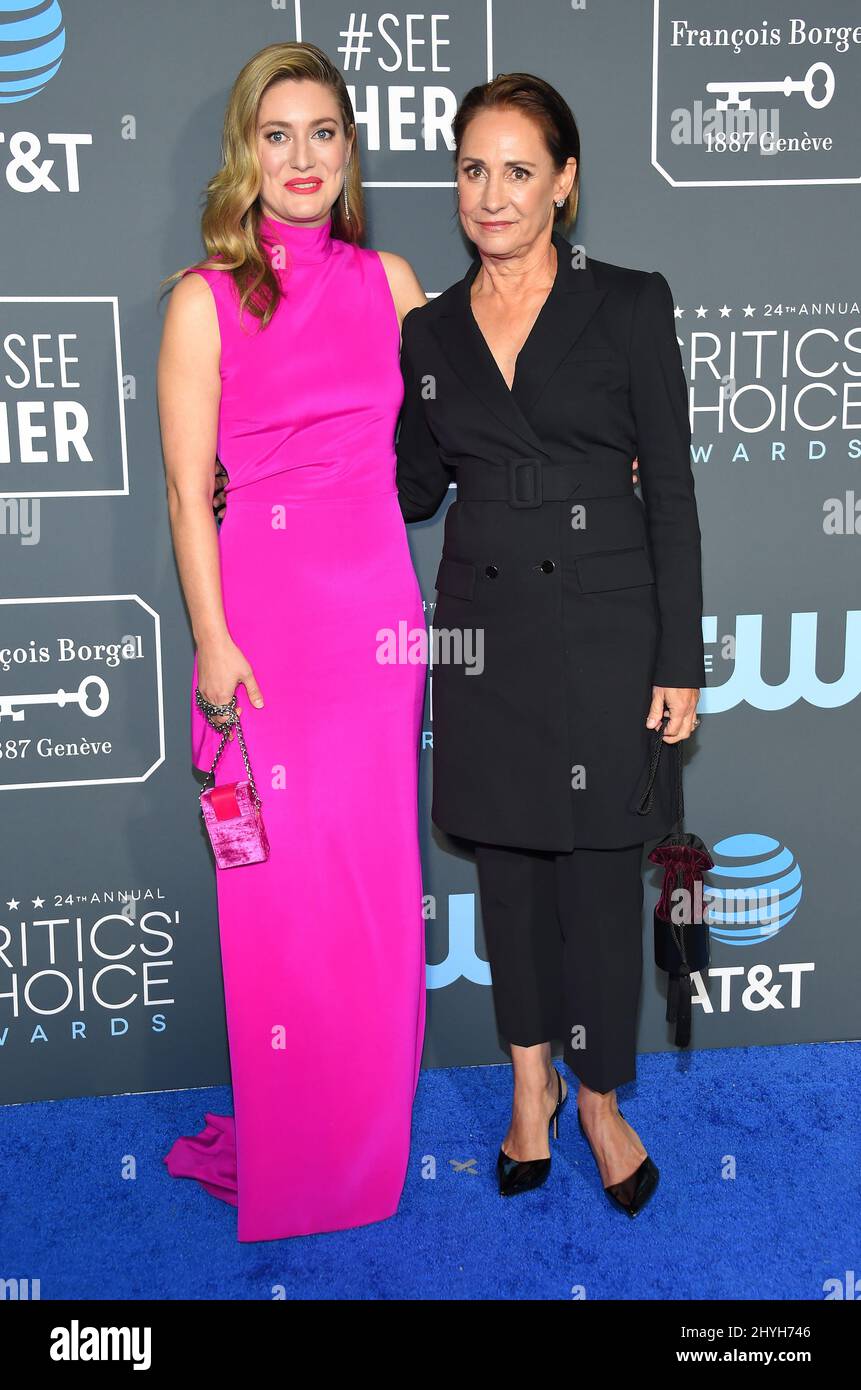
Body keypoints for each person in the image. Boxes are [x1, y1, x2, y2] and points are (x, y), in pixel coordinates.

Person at [396, 73, 705, 1216]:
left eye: (519, 169)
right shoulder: (426, 330)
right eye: (473, 168)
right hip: (485, 637)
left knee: (601, 875)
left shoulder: (628, 303)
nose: (493, 193)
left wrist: (680, 659)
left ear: (564, 185)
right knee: (514, 877)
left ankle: (600, 1098)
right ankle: (529, 1089)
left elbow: (670, 490)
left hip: (609, 630)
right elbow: (407, 482)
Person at [157, 41, 428, 1241]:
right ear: (246, 155)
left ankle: (359, 1152)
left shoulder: (397, 281)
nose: (303, 157)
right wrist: (212, 639)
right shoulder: (201, 301)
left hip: (378, 632)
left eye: (324, 133)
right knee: (276, 904)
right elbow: (182, 493)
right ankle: (291, 1146)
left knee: (371, 897)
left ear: (348, 151)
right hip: (262, 639)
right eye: (279, 135)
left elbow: (472, 422)